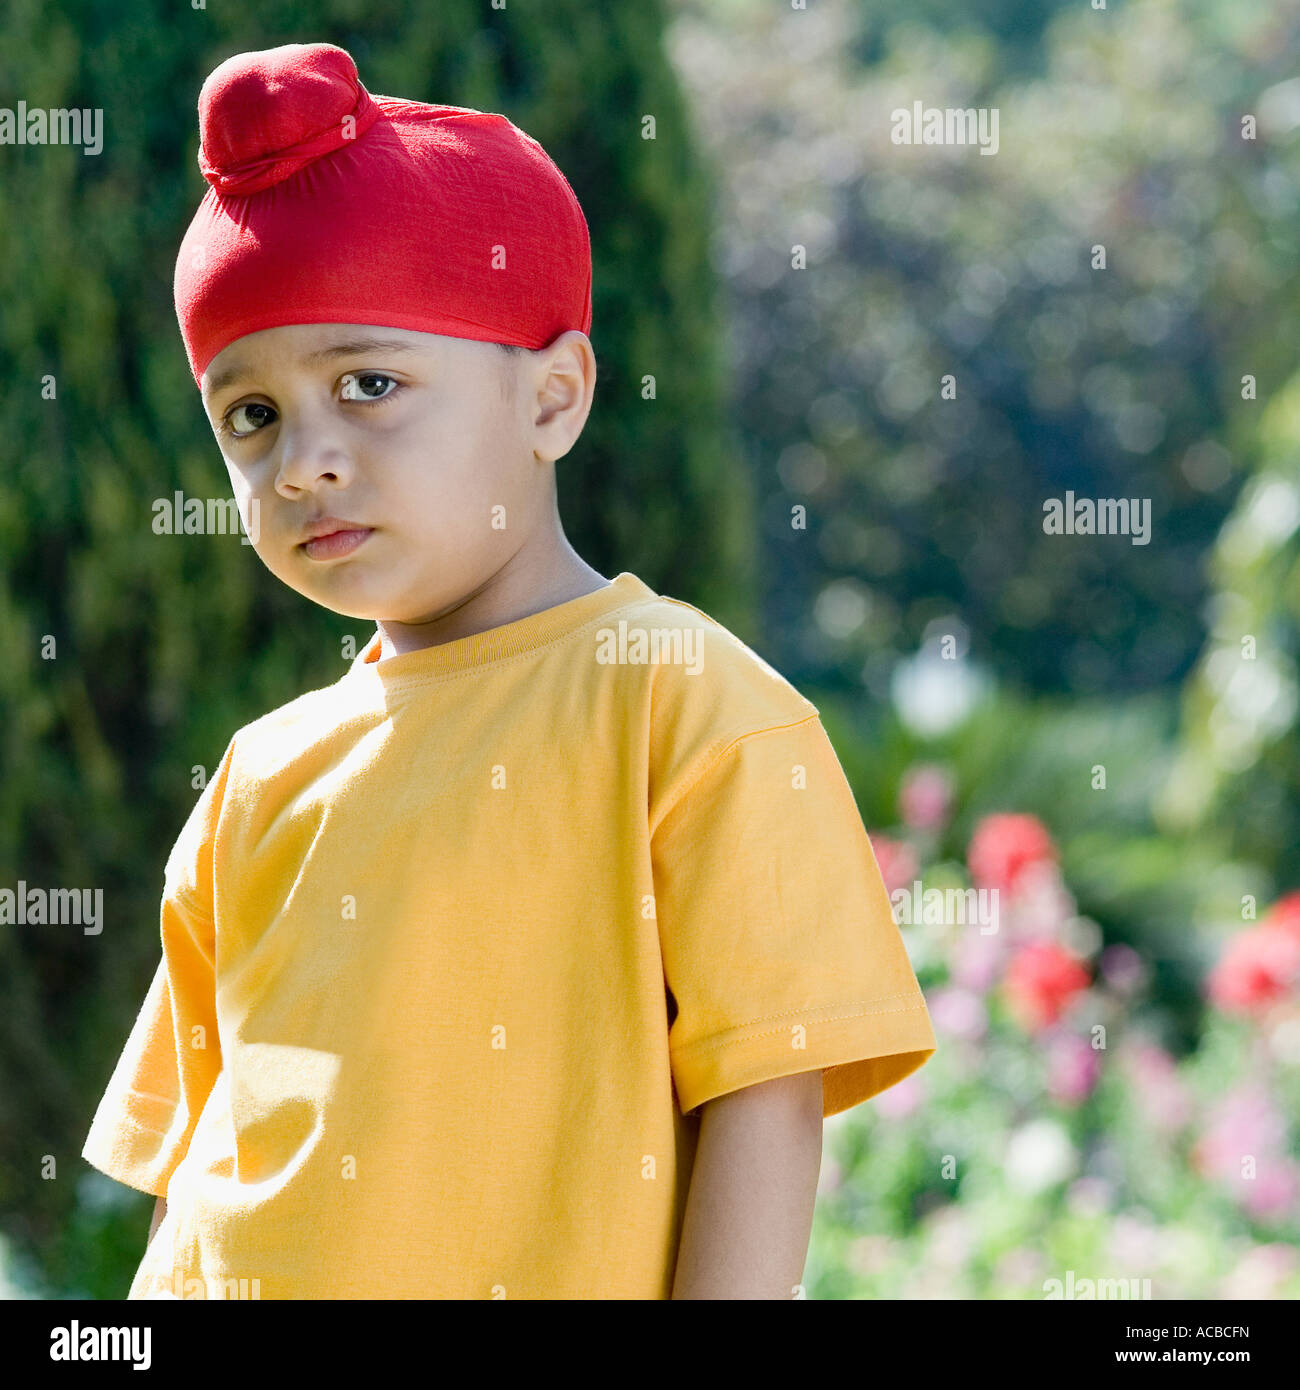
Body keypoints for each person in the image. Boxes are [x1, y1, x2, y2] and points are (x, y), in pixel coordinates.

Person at [81, 41, 937, 1300]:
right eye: (249, 415)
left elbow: (769, 1089)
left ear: (552, 398)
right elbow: (196, 1168)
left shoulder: (681, 700)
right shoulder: (260, 773)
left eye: (368, 383)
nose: (301, 459)